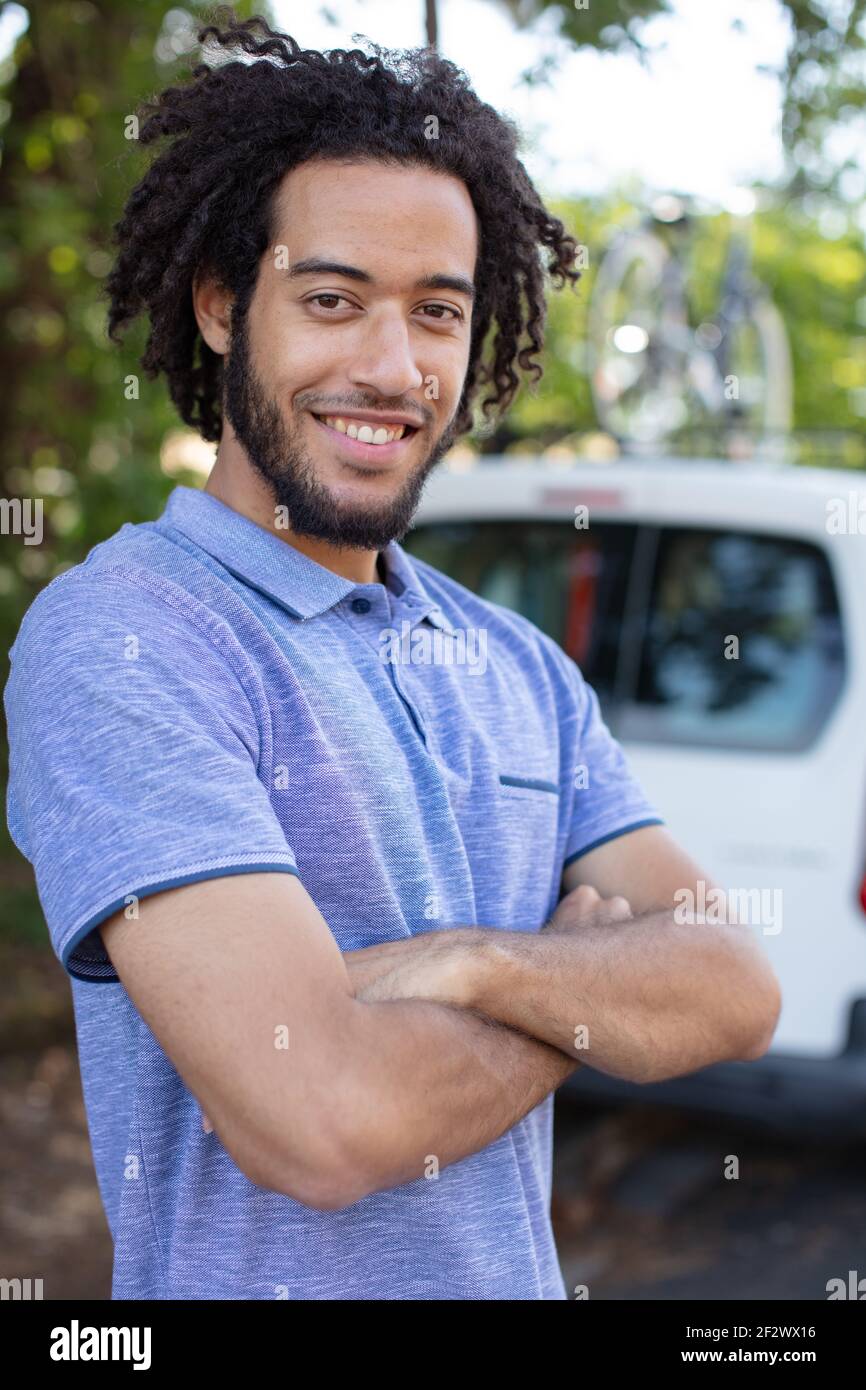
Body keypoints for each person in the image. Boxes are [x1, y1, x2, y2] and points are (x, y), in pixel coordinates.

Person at [4, 14, 780, 1301]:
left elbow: (735, 984)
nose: (389, 366)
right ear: (216, 304)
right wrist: (580, 986)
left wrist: (473, 960)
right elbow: (324, 1121)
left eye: (435, 313)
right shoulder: (129, 638)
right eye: (330, 300)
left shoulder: (521, 665)